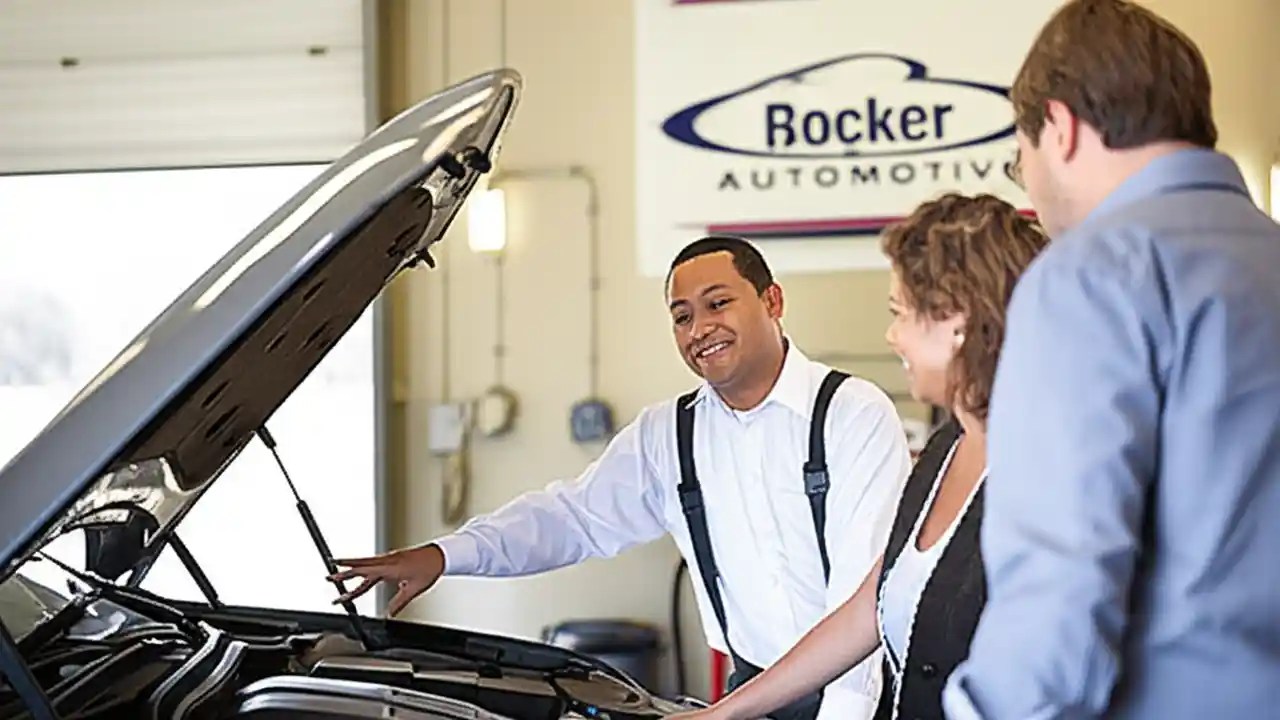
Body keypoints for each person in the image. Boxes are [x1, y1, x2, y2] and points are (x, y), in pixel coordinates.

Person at [330, 235, 913, 720]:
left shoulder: (852, 413)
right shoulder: (668, 434)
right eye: (682, 316)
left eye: (718, 304)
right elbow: (571, 517)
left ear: (773, 301)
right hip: (750, 698)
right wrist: (445, 555)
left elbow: (862, 608)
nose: (699, 328)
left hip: (869, 699)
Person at [941, 2, 1280, 718]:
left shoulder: (1089, 276)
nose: (1026, 184)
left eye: (1019, 157)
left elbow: (1057, 599)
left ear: (1059, 129)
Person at [668, 194, 1049, 720]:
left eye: (901, 314)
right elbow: (866, 611)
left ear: (958, 320)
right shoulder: (944, 451)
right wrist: (723, 713)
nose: (891, 336)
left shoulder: (1046, 471)